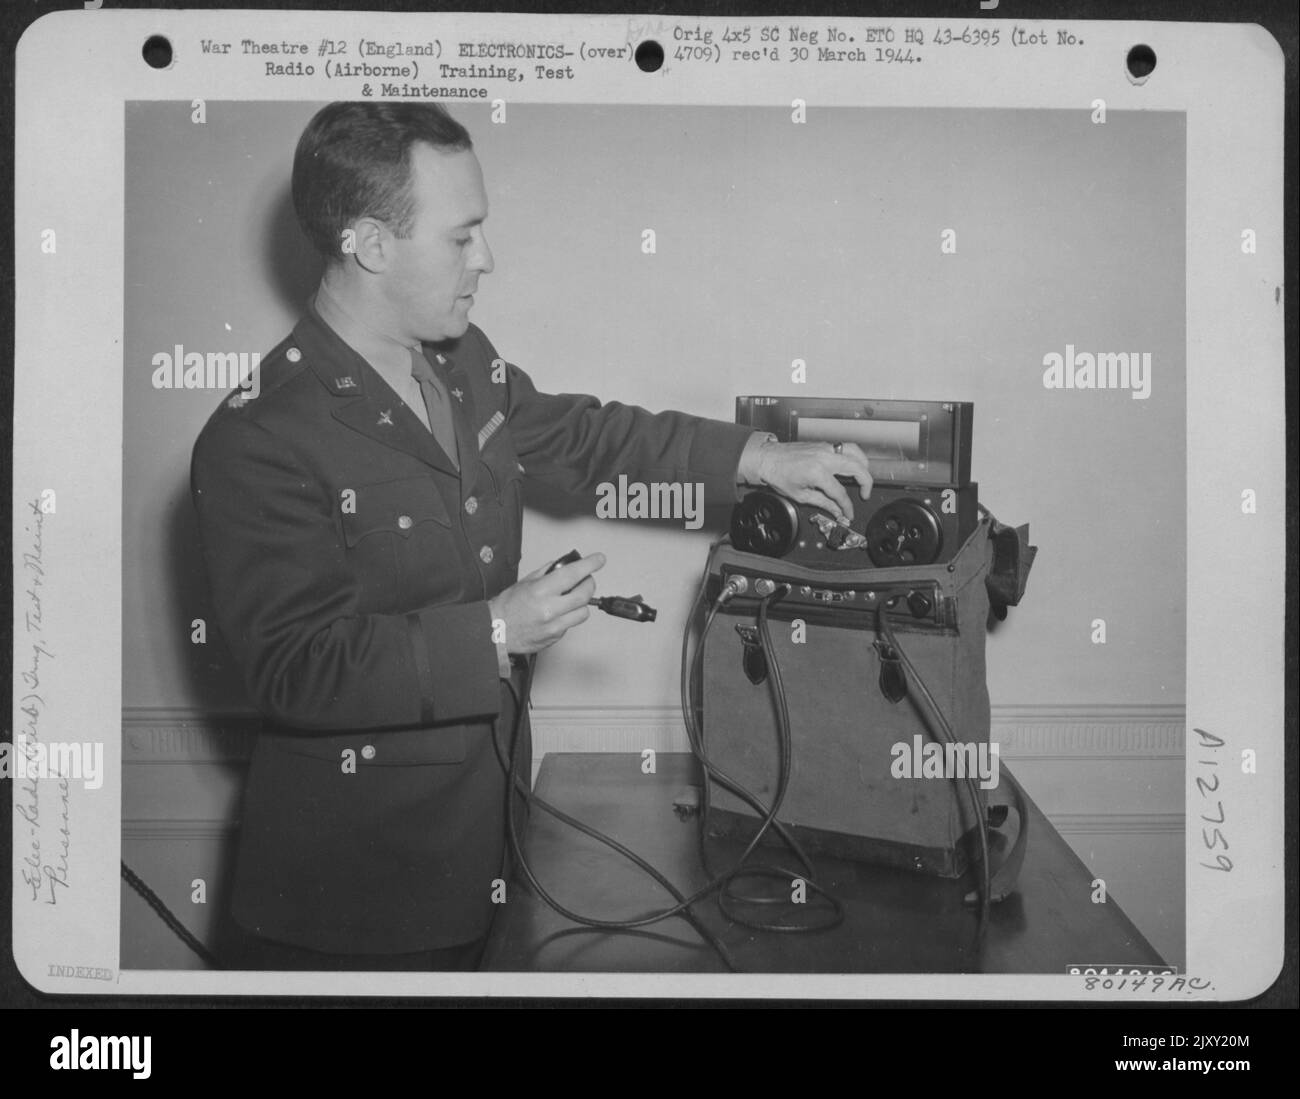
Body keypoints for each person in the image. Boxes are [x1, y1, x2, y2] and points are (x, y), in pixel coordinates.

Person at [190, 101, 872, 971]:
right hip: (349, 906)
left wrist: (760, 458)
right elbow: (296, 666)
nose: (486, 260)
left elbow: (589, 439)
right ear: (369, 243)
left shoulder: (463, 360)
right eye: (461, 236)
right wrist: (497, 631)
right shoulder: (259, 437)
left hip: (490, 854)